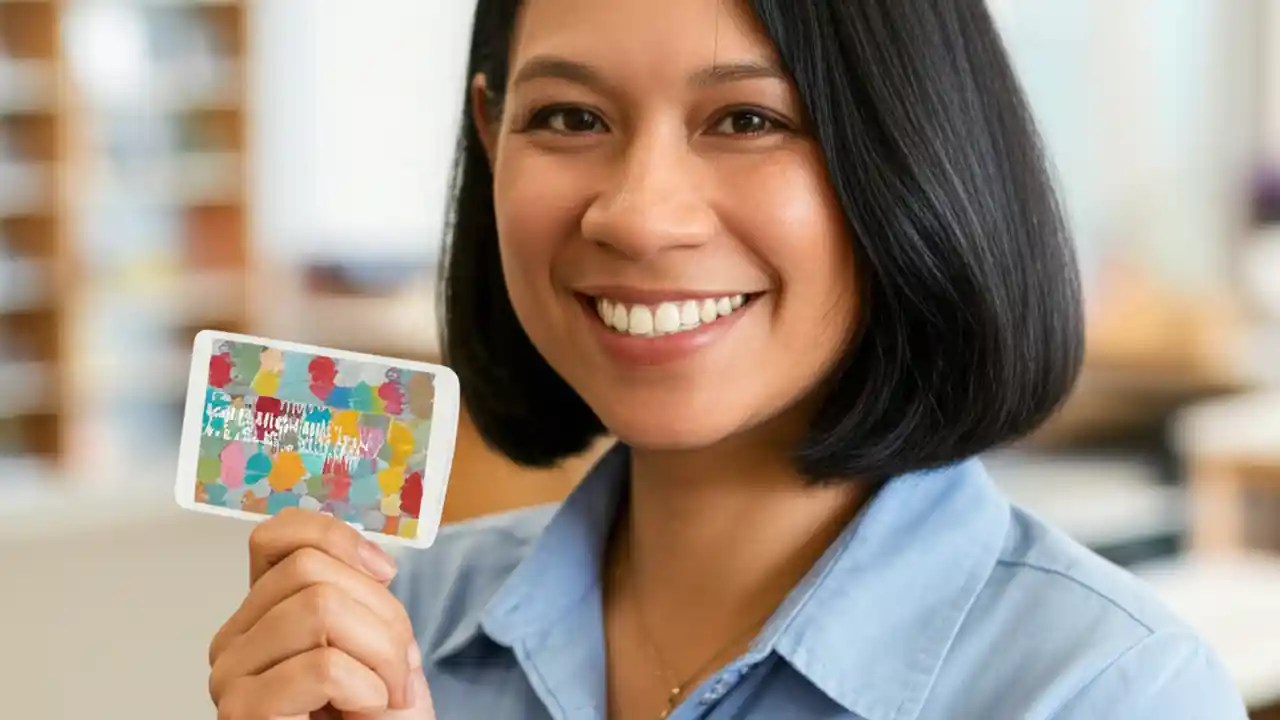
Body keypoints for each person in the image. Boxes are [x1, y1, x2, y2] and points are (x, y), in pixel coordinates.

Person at [206, 0, 1249, 718]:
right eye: (569, 117)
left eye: (747, 119)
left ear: (909, 150)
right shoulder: (392, 628)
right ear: (490, 139)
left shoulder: (1110, 692)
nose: (637, 215)